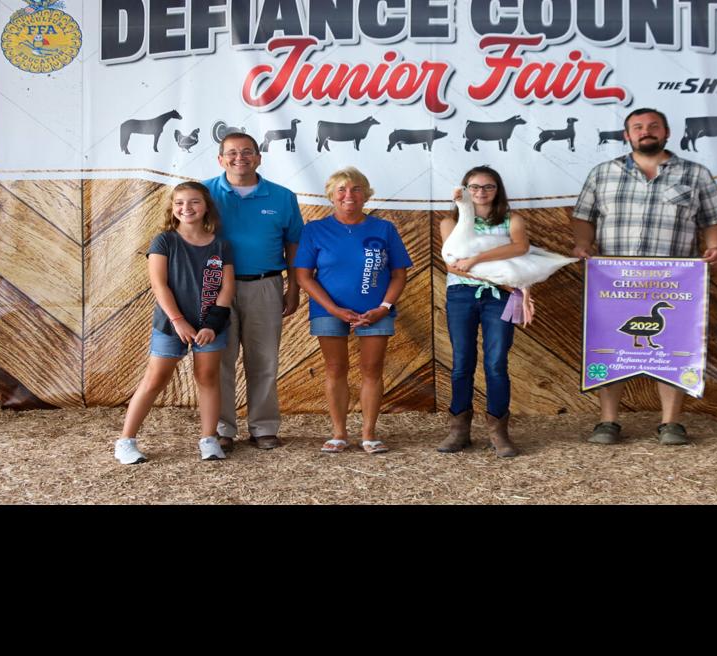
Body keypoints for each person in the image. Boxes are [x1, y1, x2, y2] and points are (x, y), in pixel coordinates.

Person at [570, 108, 717, 446]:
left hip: (674, 280)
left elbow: (714, 218)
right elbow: (584, 215)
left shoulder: (695, 173)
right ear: (627, 135)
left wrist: (714, 246)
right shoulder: (603, 173)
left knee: (672, 346)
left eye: (653, 126)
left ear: (667, 132)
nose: (646, 131)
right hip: (614, 281)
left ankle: (671, 422)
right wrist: (583, 243)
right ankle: (608, 421)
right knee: (611, 347)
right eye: (637, 127)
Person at [292, 167, 412, 454]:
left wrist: (384, 307)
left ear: (366, 195)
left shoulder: (384, 229)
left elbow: (398, 274)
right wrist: (333, 309)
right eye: (342, 190)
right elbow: (303, 276)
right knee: (335, 369)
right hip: (328, 311)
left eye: (356, 189)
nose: (349, 195)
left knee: (372, 370)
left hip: (375, 312)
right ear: (331, 196)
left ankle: (369, 434)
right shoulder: (314, 230)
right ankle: (339, 433)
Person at [114, 182, 235, 464]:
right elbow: (159, 285)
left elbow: (226, 289)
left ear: (206, 207)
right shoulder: (165, 241)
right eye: (180, 202)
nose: (186, 208)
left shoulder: (221, 244)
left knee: (207, 377)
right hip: (171, 325)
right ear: (172, 207)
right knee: (155, 379)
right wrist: (179, 321)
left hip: (210, 326)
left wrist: (212, 325)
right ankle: (126, 441)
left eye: (194, 202)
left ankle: (209, 438)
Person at [203, 132, 302, 451]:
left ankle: (263, 427)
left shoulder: (282, 197)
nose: (239, 157)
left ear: (259, 158)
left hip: (266, 285)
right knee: (221, 360)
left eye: (247, 152)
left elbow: (293, 245)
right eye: (231, 153)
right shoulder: (203, 193)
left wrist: (294, 287)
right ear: (221, 159)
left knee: (264, 361)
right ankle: (222, 429)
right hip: (216, 289)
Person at [437, 166, 529, 457]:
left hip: (500, 297)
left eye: (488, 187)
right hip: (462, 294)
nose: (480, 192)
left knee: (496, 362)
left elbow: (521, 248)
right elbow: (453, 263)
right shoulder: (449, 223)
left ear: (497, 189)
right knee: (462, 362)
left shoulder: (513, 220)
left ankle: (498, 430)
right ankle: (459, 429)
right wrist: (499, 274)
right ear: (464, 191)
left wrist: (477, 258)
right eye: (473, 187)